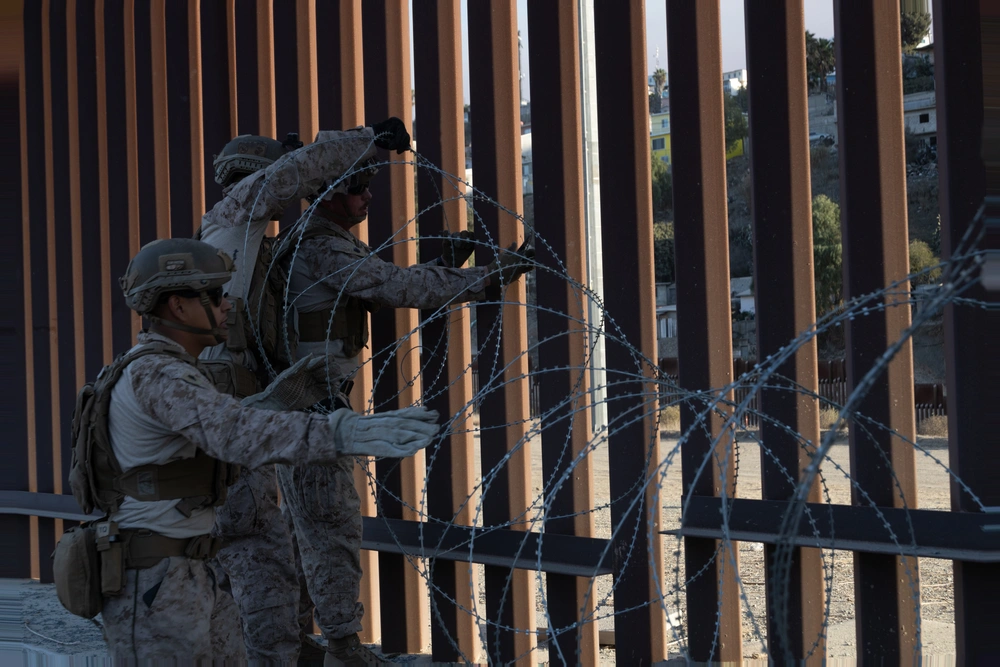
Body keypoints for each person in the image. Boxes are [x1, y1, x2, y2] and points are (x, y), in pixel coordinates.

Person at [92, 238, 438, 661]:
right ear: (178, 307)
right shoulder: (158, 373)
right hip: (155, 580)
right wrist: (339, 433)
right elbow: (233, 433)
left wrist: (273, 401)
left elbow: (211, 433)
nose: (227, 306)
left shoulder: (175, 370)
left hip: (189, 569)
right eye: (215, 295)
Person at [275, 124, 535, 665]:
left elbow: (380, 282)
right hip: (313, 406)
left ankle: (303, 643)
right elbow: (393, 288)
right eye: (357, 187)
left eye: (369, 184)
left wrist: (448, 266)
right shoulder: (320, 246)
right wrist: (490, 276)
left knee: (310, 527)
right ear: (327, 192)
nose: (368, 196)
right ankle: (343, 647)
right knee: (330, 527)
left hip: (311, 401)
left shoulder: (319, 241)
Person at [196, 120, 409, 663]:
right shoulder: (241, 216)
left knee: (273, 536)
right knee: (261, 542)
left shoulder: (249, 237)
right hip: (237, 403)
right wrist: (368, 140)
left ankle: (283, 646)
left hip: (255, 400)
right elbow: (296, 174)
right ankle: (280, 651)